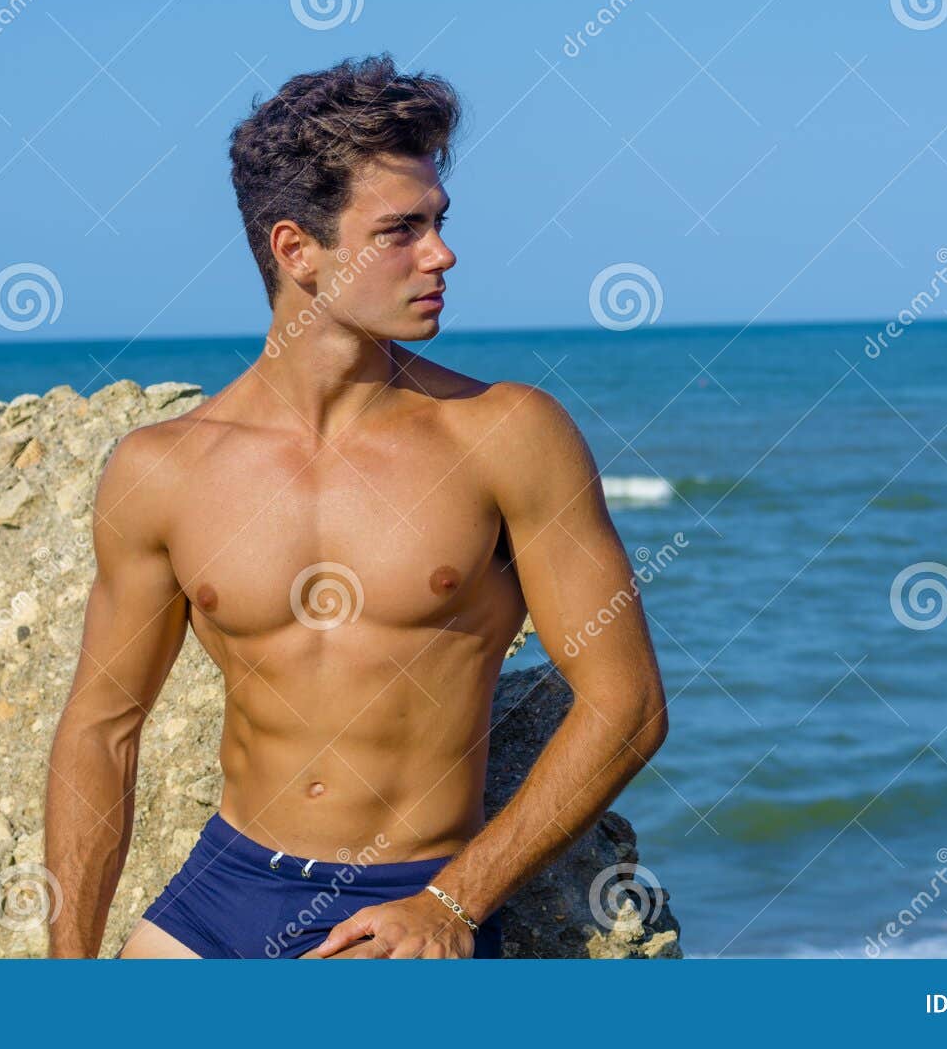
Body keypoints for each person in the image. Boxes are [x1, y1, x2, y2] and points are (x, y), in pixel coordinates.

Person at [42, 53, 669, 959]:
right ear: (296, 249)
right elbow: (101, 730)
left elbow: (629, 704)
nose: (441, 253)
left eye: (439, 222)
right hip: (218, 896)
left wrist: (456, 903)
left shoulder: (503, 434)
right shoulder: (164, 469)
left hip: (405, 907)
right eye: (400, 230)